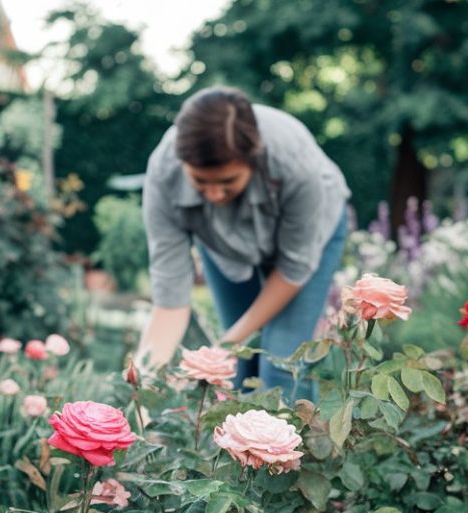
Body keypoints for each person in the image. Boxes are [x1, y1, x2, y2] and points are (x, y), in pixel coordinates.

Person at [134, 86, 350, 401]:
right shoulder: (163, 175)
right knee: (237, 366)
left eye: (227, 182)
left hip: (309, 242)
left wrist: (223, 346)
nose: (215, 195)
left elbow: (293, 268)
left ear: (252, 160)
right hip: (223, 244)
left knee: (280, 366)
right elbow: (170, 297)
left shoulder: (294, 162)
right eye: (200, 182)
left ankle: (300, 447)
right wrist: (145, 379)